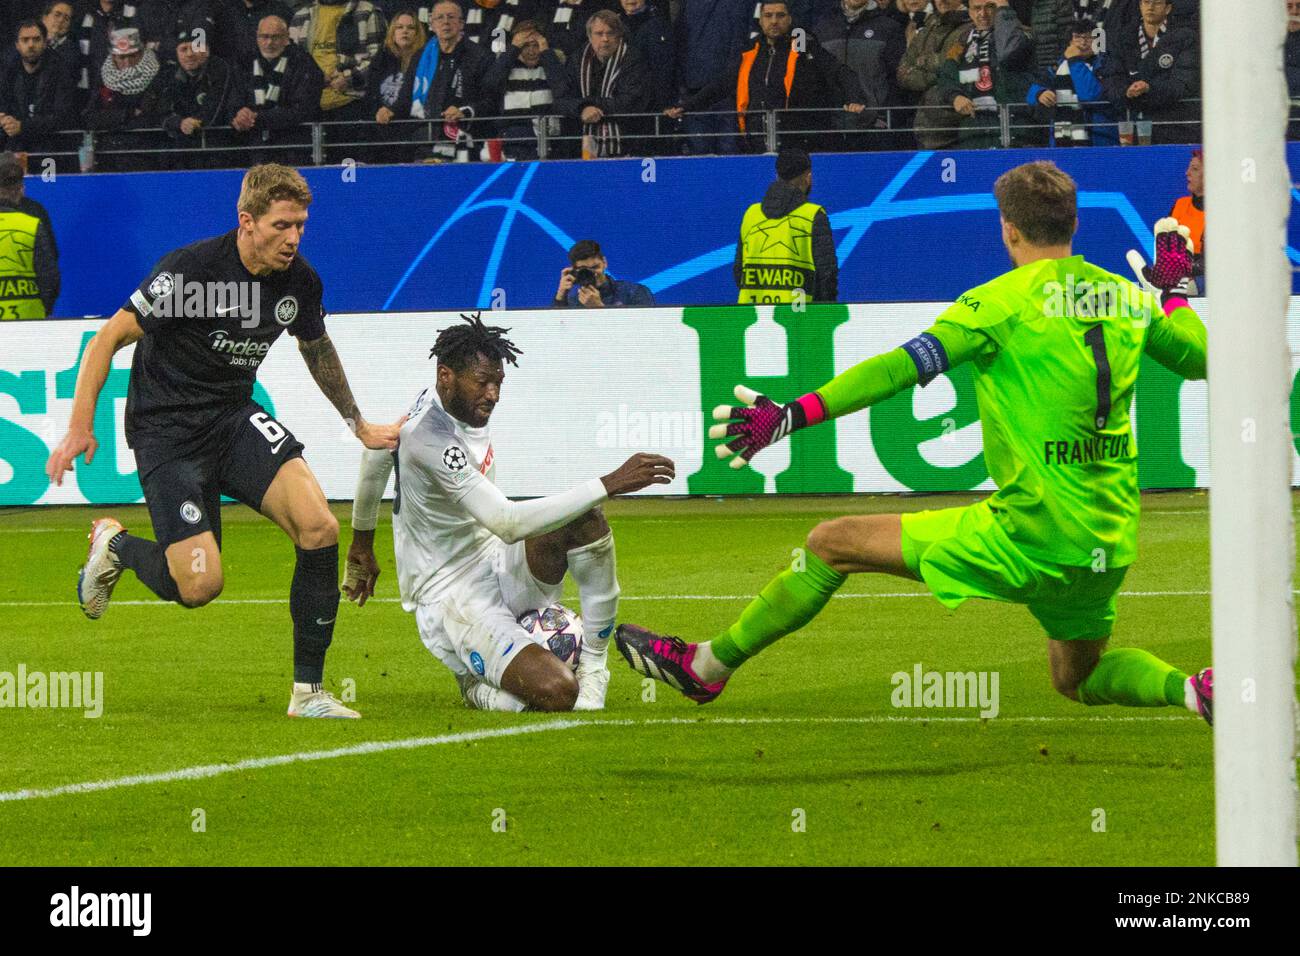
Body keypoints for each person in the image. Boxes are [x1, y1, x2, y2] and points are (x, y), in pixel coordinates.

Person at [616, 160, 1215, 731]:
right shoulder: (1125, 299)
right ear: (1075, 223)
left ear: (1008, 229)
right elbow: (1201, 357)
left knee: (830, 544)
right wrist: (1176, 290)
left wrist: (793, 414)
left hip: (1029, 533)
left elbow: (895, 370)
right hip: (1108, 538)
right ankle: (1194, 690)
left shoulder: (995, 305)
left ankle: (707, 667)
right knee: (1077, 678)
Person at [45, 164, 404, 719]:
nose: (294, 238)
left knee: (319, 526)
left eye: (301, 226)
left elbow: (317, 349)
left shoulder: (299, 282)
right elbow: (107, 338)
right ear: (246, 222)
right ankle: (116, 545)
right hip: (167, 432)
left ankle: (308, 693)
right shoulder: (188, 274)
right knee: (199, 584)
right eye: (283, 225)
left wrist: (358, 423)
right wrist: (78, 426)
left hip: (233, 419)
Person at [344, 313, 676, 712]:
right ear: (446, 376)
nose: (493, 394)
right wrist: (609, 483)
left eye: (498, 382)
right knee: (556, 693)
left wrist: (362, 543)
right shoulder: (429, 436)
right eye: (482, 382)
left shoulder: (440, 403)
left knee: (585, 518)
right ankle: (475, 687)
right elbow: (506, 521)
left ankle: (594, 667)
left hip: (496, 563)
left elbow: (378, 450)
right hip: (452, 595)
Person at [668, 0, 866, 153]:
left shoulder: (803, 44)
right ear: (760, 20)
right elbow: (721, 86)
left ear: (789, 19)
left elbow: (839, 71)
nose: (774, 21)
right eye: (768, 15)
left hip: (799, 144)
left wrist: (854, 98)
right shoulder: (750, 52)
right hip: (756, 144)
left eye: (780, 16)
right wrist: (686, 107)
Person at [734, 147, 837, 304]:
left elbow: (738, 271)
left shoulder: (751, 214)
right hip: (798, 318)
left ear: (777, 175)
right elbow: (826, 275)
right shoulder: (812, 215)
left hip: (752, 317)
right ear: (808, 177)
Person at [933, 0, 1034, 149]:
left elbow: (1008, 52)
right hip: (974, 126)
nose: (983, 14)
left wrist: (1004, 10)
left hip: (1013, 123)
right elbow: (947, 75)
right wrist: (955, 96)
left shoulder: (1020, 34)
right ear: (970, 12)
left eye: (990, 7)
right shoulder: (962, 41)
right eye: (977, 8)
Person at [1096, 0, 1199, 144]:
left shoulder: (1185, 38)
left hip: (1176, 128)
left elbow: (1183, 84)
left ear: (1168, 8)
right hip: (1135, 127)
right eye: (1146, 2)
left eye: (1156, 3)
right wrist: (1125, 91)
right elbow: (1111, 78)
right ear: (1140, 6)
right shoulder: (1122, 38)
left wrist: (1149, 88)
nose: (1150, 7)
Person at [553, 10, 651, 158]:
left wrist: (590, 105)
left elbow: (632, 102)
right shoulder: (577, 59)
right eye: (599, 33)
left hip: (627, 144)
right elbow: (561, 99)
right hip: (578, 144)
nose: (605, 39)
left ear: (619, 36)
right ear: (589, 36)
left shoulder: (634, 59)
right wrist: (582, 109)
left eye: (610, 33)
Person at [230, 14, 325, 163]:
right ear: (257, 37)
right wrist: (238, 114)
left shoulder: (304, 63)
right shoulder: (244, 61)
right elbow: (232, 100)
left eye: (276, 37)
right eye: (264, 36)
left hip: (293, 147)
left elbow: (303, 109)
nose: (269, 43)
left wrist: (257, 118)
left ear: (287, 37)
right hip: (251, 148)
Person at [813, 0, 907, 149]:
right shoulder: (822, 27)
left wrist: (882, 117)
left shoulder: (888, 27)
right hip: (830, 126)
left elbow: (897, 78)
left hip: (875, 127)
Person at [408, 0, 494, 160]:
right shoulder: (420, 57)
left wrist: (464, 111)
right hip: (424, 142)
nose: (445, 22)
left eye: (451, 17)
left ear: (461, 24)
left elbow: (490, 101)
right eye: (439, 18)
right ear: (431, 25)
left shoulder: (480, 56)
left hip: (465, 143)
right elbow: (406, 95)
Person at [82, 26, 168, 170]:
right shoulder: (104, 77)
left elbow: (155, 118)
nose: (127, 63)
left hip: (149, 155)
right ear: (113, 57)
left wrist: (112, 119)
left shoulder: (158, 76)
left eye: (132, 56)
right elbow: (89, 117)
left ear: (141, 53)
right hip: (109, 157)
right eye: (122, 57)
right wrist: (128, 114)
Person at [289, 0, 385, 127]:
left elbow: (378, 58)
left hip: (352, 103)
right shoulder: (301, 15)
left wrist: (348, 78)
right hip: (308, 107)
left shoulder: (368, 11)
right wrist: (312, 80)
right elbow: (291, 60)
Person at [483, 19, 569, 160]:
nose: (531, 51)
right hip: (514, 143)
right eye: (525, 46)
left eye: (535, 45)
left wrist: (546, 53)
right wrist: (513, 49)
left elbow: (563, 88)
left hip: (550, 143)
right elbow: (489, 85)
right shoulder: (505, 65)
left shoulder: (552, 63)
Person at [161, 24, 244, 166]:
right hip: (185, 153)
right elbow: (161, 112)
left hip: (220, 151)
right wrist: (179, 123)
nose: (189, 54)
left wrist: (191, 123)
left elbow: (213, 113)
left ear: (207, 50)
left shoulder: (220, 70)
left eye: (195, 47)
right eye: (183, 49)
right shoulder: (170, 75)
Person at [1026, 17, 1117, 146]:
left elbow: (1090, 95)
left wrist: (1075, 61)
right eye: (1078, 37)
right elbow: (1031, 92)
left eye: (1089, 38)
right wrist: (1040, 94)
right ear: (1070, 42)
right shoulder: (1058, 66)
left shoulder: (1106, 64)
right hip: (1061, 141)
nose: (1083, 43)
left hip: (1098, 141)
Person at [896, 0, 970, 148]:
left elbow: (950, 64)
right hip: (926, 124)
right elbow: (903, 73)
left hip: (960, 123)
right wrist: (938, 75)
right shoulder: (928, 24)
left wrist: (920, 63)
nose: (941, 1)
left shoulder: (973, 24)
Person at [0, 20, 76, 157]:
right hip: (17, 146)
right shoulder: (8, 72)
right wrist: (4, 119)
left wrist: (23, 126)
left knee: (49, 178)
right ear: (17, 45)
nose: (31, 45)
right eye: (25, 40)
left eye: (36, 39)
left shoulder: (60, 71)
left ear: (45, 43)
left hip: (51, 148)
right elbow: (4, 107)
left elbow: (62, 117)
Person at [0, 153, 60, 318]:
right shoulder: (33, 221)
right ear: (21, 189)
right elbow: (50, 277)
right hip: (28, 318)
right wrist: (42, 311)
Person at [367, 8, 426, 160]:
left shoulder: (426, 61)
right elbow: (371, 93)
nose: (404, 31)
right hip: (382, 127)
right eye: (399, 27)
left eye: (410, 28)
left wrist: (393, 110)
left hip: (412, 126)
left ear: (417, 33)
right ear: (392, 33)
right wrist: (378, 110)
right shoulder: (381, 58)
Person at [553, 239, 654, 308]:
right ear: (575, 271)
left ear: (604, 262)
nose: (593, 274)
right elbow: (553, 333)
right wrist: (560, 297)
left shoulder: (633, 292)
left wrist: (599, 308)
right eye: (585, 270)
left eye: (595, 267)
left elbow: (645, 331)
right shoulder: (572, 301)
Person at [1167, 147, 1203, 290]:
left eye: (1194, 169)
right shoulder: (1179, 205)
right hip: (1180, 275)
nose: (1187, 173)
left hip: (1209, 279)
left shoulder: (1223, 211)